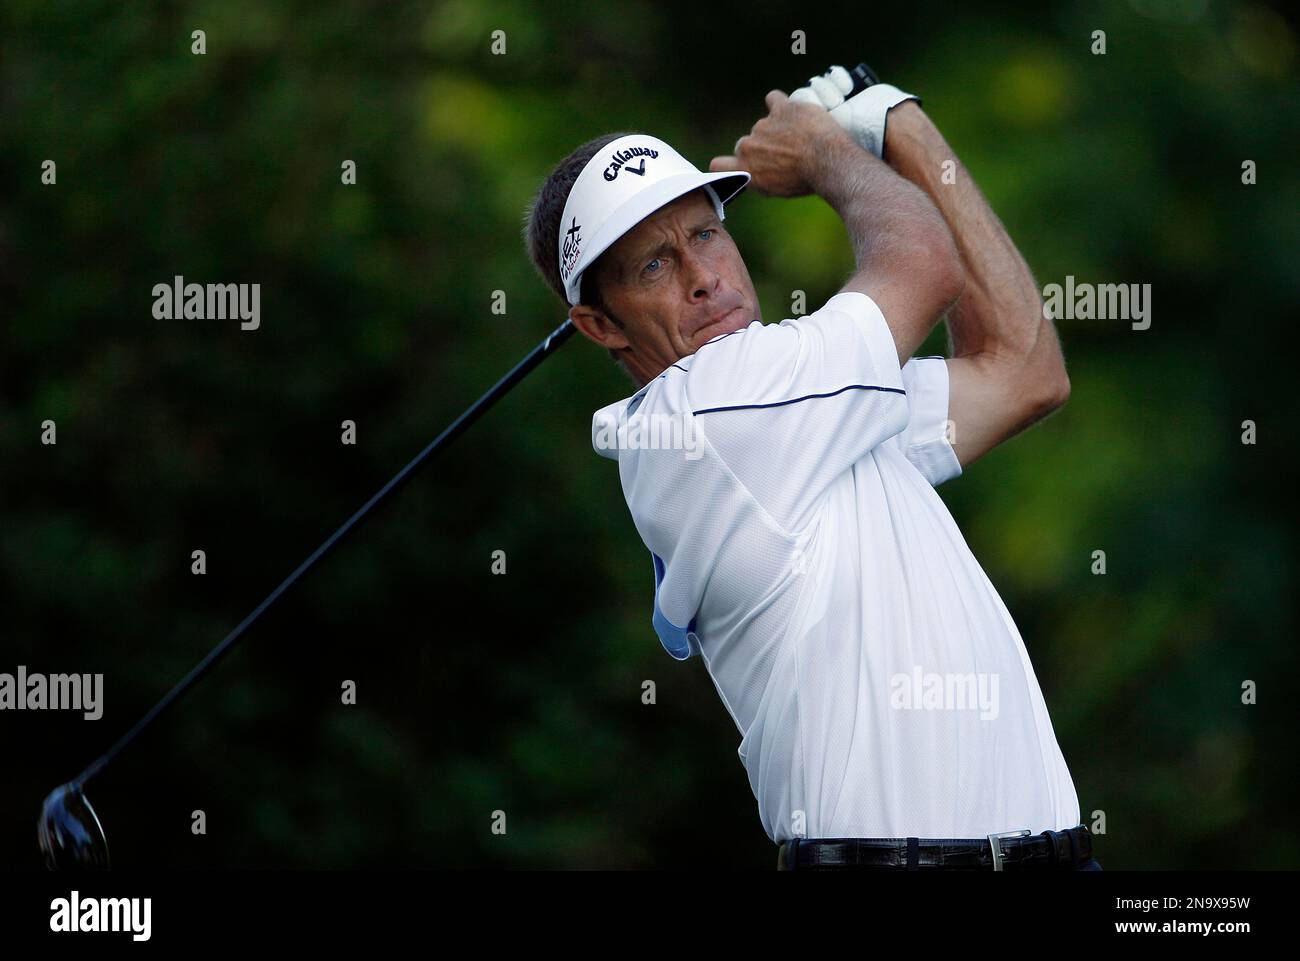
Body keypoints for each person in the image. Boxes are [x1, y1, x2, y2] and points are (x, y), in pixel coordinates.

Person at [523, 65, 1098, 871]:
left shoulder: (806, 399)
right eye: (653, 266)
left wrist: (900, 124)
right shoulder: (711, 408)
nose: (701, 277)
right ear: (598, 324)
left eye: (705, 234)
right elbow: (925, 266)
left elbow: (1024, 371)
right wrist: (833, 150)